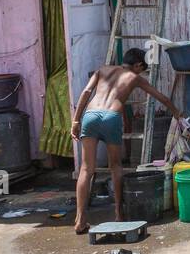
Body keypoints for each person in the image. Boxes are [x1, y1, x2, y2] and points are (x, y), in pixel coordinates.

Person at [71, 47, 183, 235]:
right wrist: (177, 113)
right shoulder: (134, 77)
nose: (142, 72)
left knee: (85, 169)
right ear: (138, 65)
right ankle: (118, 214)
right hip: (111, 117)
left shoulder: (102, 69)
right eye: (142, 68)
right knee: (115, 166)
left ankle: (80, 220)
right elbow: (160, 98)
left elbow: (85, 92)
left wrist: (75, 120)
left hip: (89, 116)